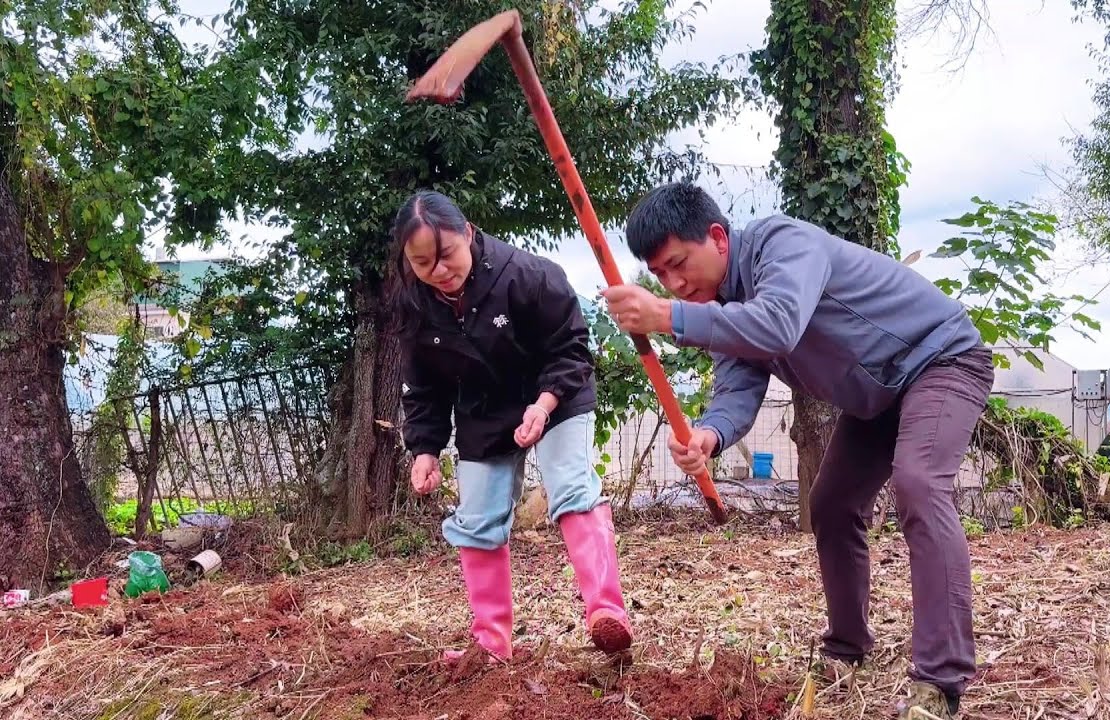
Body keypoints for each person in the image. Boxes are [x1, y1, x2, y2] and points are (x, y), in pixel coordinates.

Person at [600, 182, 993, 719]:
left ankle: (939, 683)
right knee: (831, 504)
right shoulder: (723, 305)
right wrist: (709, 437)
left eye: (678, 263)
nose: (673, 282)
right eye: (661, 275)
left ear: (718, 237)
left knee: (920, 484)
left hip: (941, 359)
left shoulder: (784, 245)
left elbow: (777, 325)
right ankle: (847, 650)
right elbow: (737, 390)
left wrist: (667, 316)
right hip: (878, 399)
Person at [387, 190, 632, 661]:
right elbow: (423, 388)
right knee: (476, 520)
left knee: (571, 488)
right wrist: (424, 450)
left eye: (446, 255)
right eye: (422, 262)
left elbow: (571, 350)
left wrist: (542, 406)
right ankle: (491, 645)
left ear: (469, 234)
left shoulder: (528, 277)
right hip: (484, 409)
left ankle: (607, 615)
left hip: (554, 396)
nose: (438, 270)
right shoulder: (415, 305)